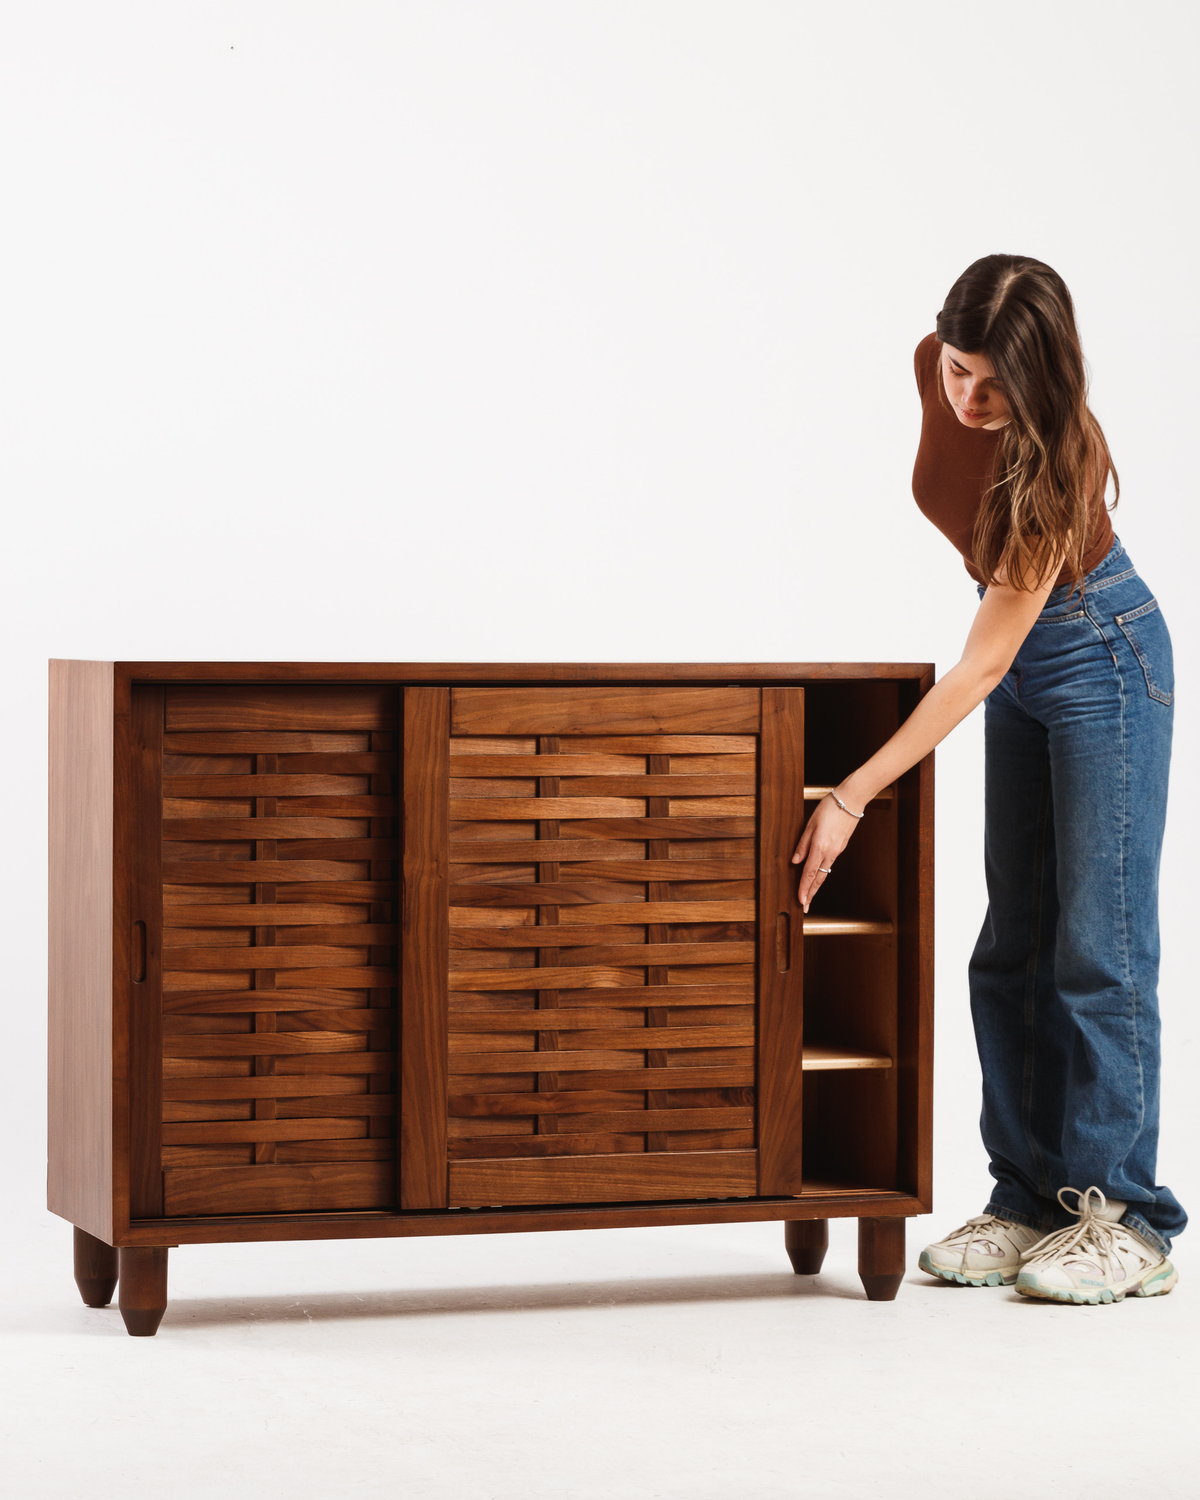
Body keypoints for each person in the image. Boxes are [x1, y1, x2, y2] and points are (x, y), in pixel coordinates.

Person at [792, 254, 1181, 1304]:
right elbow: (991, 650)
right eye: (960, 370)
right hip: (1018, 662)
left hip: (1102, 658)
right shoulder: (937, 363)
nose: (968, 397)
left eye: (995, 384)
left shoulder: (1062, 460)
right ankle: (1029, 1197)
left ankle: (1125, 1217)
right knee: (1008, 947)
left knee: (1098, 947)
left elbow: (980, 664)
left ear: (1044, 375)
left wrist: (850, 794)